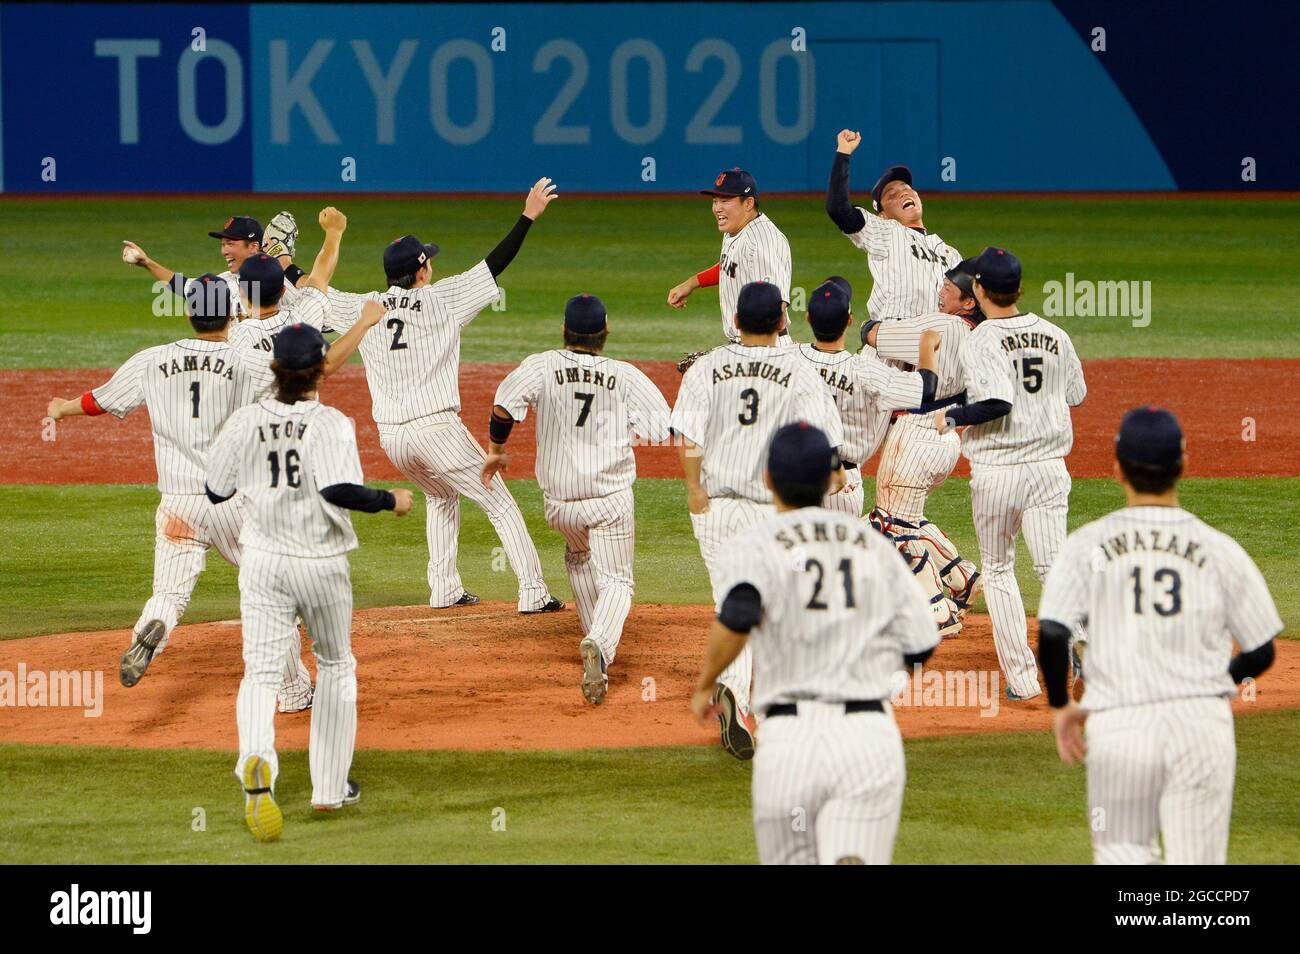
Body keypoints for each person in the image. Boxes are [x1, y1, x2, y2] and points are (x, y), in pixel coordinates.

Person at [44, 277, 381, 697]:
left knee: (169, 593)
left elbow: (100, 400)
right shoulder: (248, 363)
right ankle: (293, 692)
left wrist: (62, 408)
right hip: (235, 501)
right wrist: (364, 324)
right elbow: (319, 369)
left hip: (177, 506)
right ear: (232, 313)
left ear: (188, 314)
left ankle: (157, 625)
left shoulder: (151, 360)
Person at [671, 281, 938, 758]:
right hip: (768, 510)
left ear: (734, 321)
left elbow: (688, 434)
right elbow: (829, 447)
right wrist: (831, 477)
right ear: (781, 321)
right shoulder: (796, 370)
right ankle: (758, 691)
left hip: (712, 506)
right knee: (770, 601)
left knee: (732, 597)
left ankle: (734, 687)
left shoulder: (708, 366)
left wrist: (694, 489)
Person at [1038, 407, 1281, 864]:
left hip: (1119, 727)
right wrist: (1218, 681)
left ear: (1116, 468)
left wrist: (1060, 705)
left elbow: (1052, 633)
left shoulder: (1086, 545)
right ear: (1183, 464)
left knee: (1122, 855)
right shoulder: (1220, 549)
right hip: (1200, 727)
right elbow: (1262, 648)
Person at [690, 422, 939, 864]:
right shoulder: (873, 545)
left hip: (791, 741)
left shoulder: (756, 544)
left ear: (767, 478)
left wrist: (707, 683)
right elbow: (921, 644)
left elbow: (738, 617)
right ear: (831, 479)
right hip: (868, 737)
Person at [205, 323, 414, 841]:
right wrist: (390, 500)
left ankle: (257, 765)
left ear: (274, 369)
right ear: (321, 368)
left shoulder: (244, 420)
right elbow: (340, 489)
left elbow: (214, 492)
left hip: (263, 563)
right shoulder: (331, 422)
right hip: (320, 563)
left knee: (260, 674)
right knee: (336, 664)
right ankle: (328, 787)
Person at [322, 178, 565, 612]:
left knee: (440, 495)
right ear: (421, 270)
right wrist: (527, 217)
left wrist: (280, 261)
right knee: (500, 502)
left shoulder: (366, 306)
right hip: (436, 430)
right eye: (427, 261)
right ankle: (533, 592)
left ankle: (444, 588)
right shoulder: (443, 298)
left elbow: (314, 293)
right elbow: (495, 264)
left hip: (392, 440)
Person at [481, 294, 672, 703]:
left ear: (564, 331)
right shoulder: (626, 376)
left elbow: (502, 406)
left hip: (560, 505)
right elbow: (662, 432)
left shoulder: (542, 365)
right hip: (609, 500)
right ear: (605, 332)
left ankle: (596, 646)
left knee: (579, 556)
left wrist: (496, 450)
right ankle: (600, 644)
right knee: (618, 579)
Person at [934, 247, 1086, 699]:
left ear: (978, 290)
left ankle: (1022, 682)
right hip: (1048, 470)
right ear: (1019, 289)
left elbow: (998, 402)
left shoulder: (982, 339)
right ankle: (1081, 643)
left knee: (999, 570)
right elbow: (1076, 394)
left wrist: (956, 416)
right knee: (1053, 567)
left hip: (998, 471)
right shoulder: (1056, 334)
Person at [860, 258, 986, 634]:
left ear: (968, 302)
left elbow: (874, 334)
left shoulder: (941, 325)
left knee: (890, 524)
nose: (940, 290)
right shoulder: (985, 335)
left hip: (915, 432)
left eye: (949, 287)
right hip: (948, 436)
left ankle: (937, 609)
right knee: (906, 518)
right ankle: (962, 577)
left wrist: (874, 325)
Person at [825, 130, 960, 322]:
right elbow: (838, 209)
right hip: (894, 340)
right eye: (891, 194)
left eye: (906, 188)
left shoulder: (950, 253)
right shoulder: (886, 232)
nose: (903, 193)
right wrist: (843, 153)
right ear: (883, 215)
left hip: (934, 345)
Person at [667, 168, 793, 365]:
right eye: (715, 201)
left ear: (749, 203)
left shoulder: (762, 242)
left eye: (725, 201)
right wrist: (692, 283)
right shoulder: (737, 227)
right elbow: (732, 265)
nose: (717, 208)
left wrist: (742, 357)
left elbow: (775, 305)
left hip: (766, 351)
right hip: (746, 345)